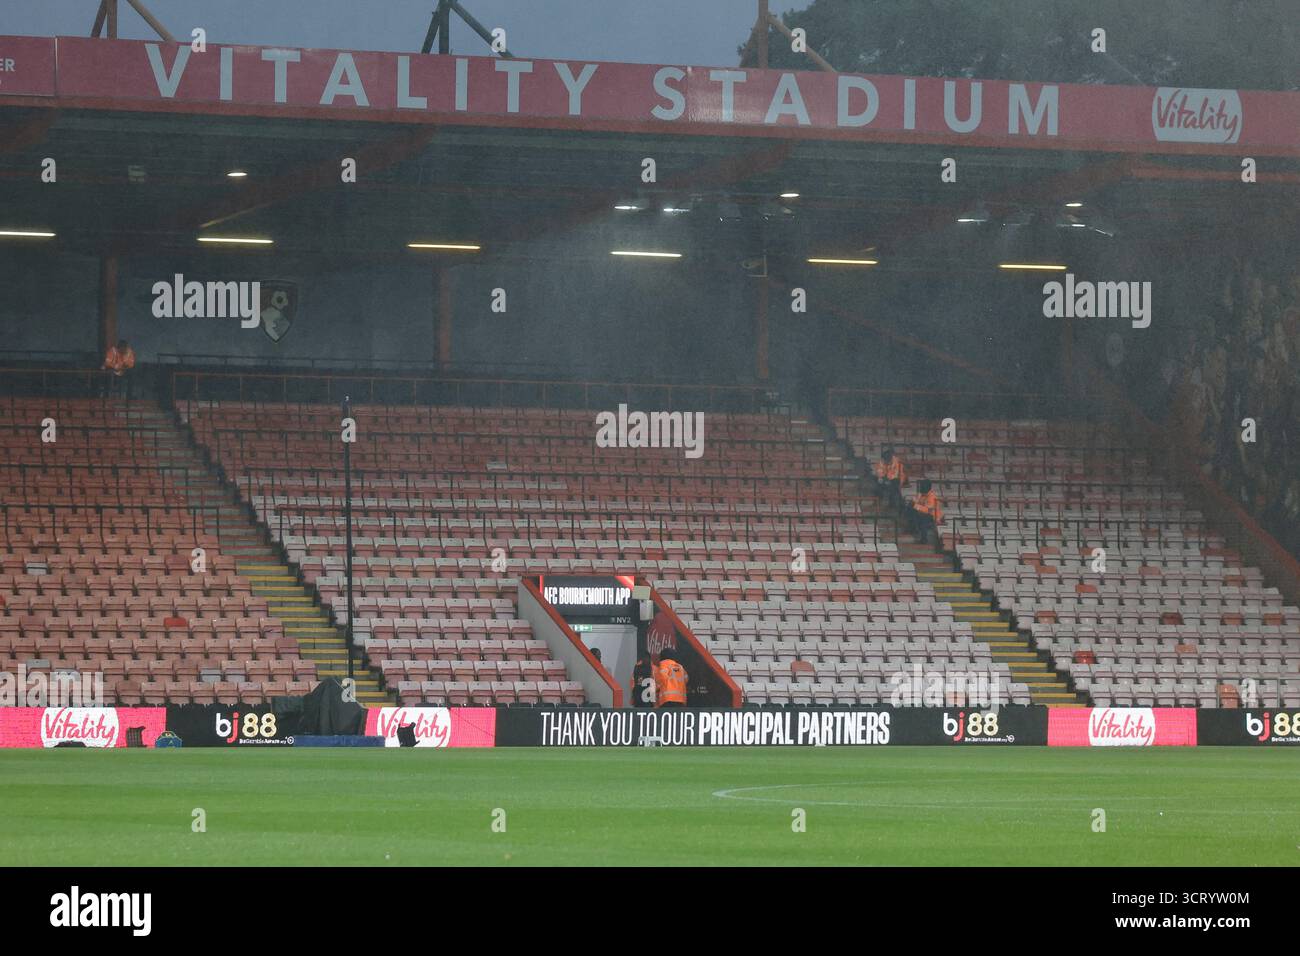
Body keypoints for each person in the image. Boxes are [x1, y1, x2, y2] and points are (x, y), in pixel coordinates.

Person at [908, 478, 944, 546]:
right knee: (910, 509)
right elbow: (914, 502)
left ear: (927, 487)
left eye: (922, 486)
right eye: (921, 486)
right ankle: (913, 529)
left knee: (923, 518)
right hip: (924, 514)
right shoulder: (922, 494)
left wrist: (915, 505)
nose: (921, 487)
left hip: (934, 516)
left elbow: (928, 510)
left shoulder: (932, 496)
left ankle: (924, 539)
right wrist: (914, 501)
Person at [873, 446, 907, 514]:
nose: (886, 461)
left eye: (888, 460)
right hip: (885, 479)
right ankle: (878, 502)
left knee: (894, 488)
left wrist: (889, 480)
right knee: (876, 485)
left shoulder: (897, 462)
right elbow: (879, 472)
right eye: (885, 460)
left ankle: (896, 506)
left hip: (896, 480)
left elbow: (897, 475)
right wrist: (883, 478)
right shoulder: (881, 461)